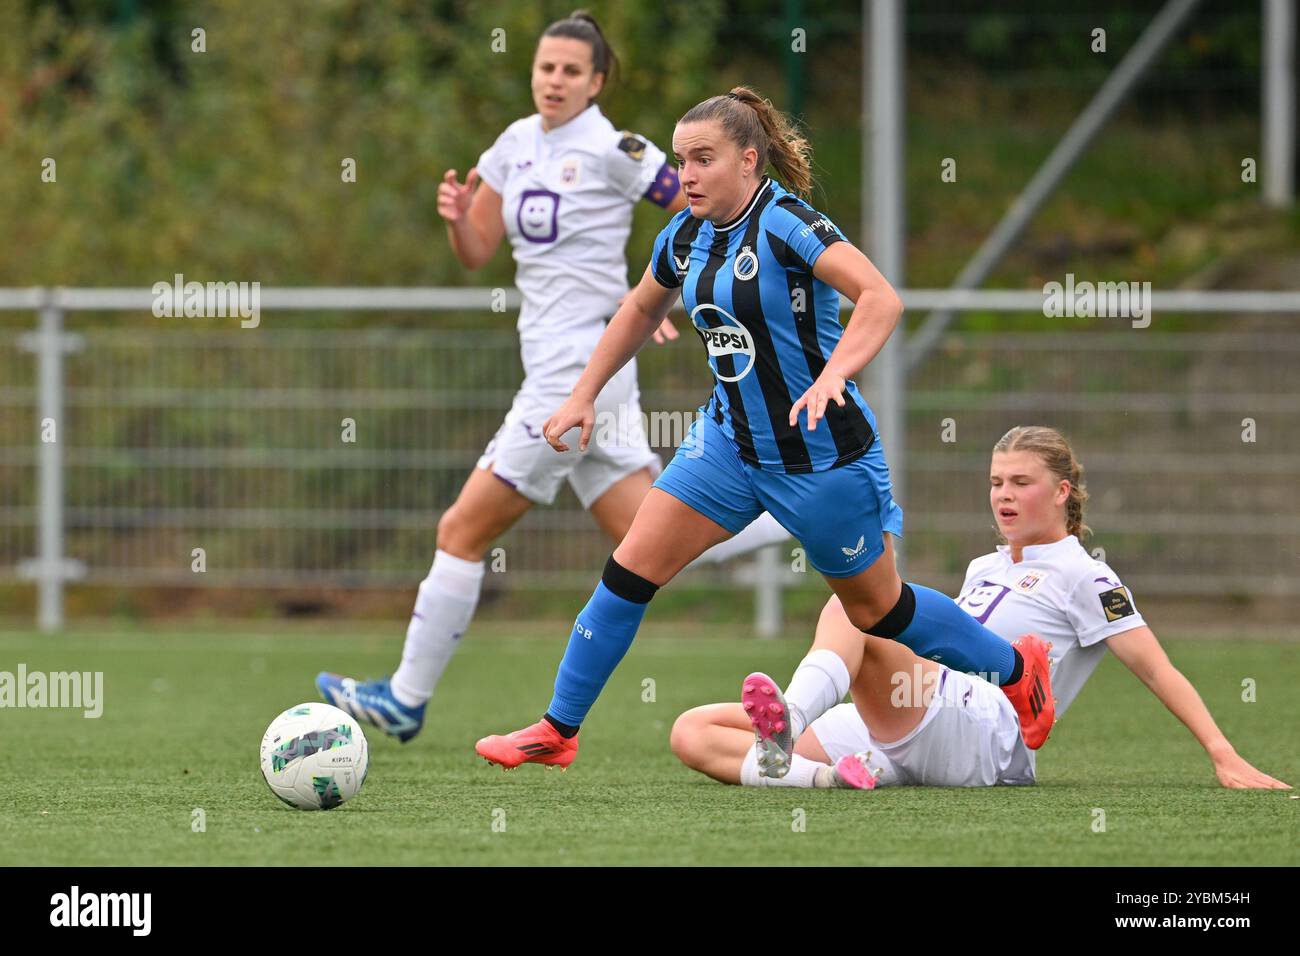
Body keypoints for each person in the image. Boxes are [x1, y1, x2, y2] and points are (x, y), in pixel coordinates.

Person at [475, 88, 1057, 772]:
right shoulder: (685, 234)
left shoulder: (787, 223)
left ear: (749, 161)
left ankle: (1018, 671)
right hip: (727, 445)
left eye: (703, 159)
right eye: (680, 160)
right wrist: (582, 394)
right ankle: (558, 728)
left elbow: (880, 297)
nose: (685, 174)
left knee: (879, 613)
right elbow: (638, 308)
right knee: (631, 569)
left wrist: (836, 371)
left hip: (821, 456)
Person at [316, 12, 788, 742]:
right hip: (576, 369)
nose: (554, 81)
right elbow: (477, 248)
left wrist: (670, 298)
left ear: (596, 82)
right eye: (546, 67)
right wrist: (454, 219)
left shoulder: (614, 148)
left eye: (571, 71)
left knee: (461, 529)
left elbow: (705, 207)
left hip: (575, 375)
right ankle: (789, 513)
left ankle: (405, 698)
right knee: (647, 535)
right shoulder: (513, 144)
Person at [670, 426, 1292, 792]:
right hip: (909, 716)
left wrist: (1221, 752)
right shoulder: (986, 566)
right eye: (996, 483)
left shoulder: (1085, 573)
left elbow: (1159, 669)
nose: (1005, 495)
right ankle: (829, 780)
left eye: (1021, 483)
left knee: (855, 605)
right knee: (691, 733)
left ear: (1062, 492)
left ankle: (792, 714)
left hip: (988, 737)